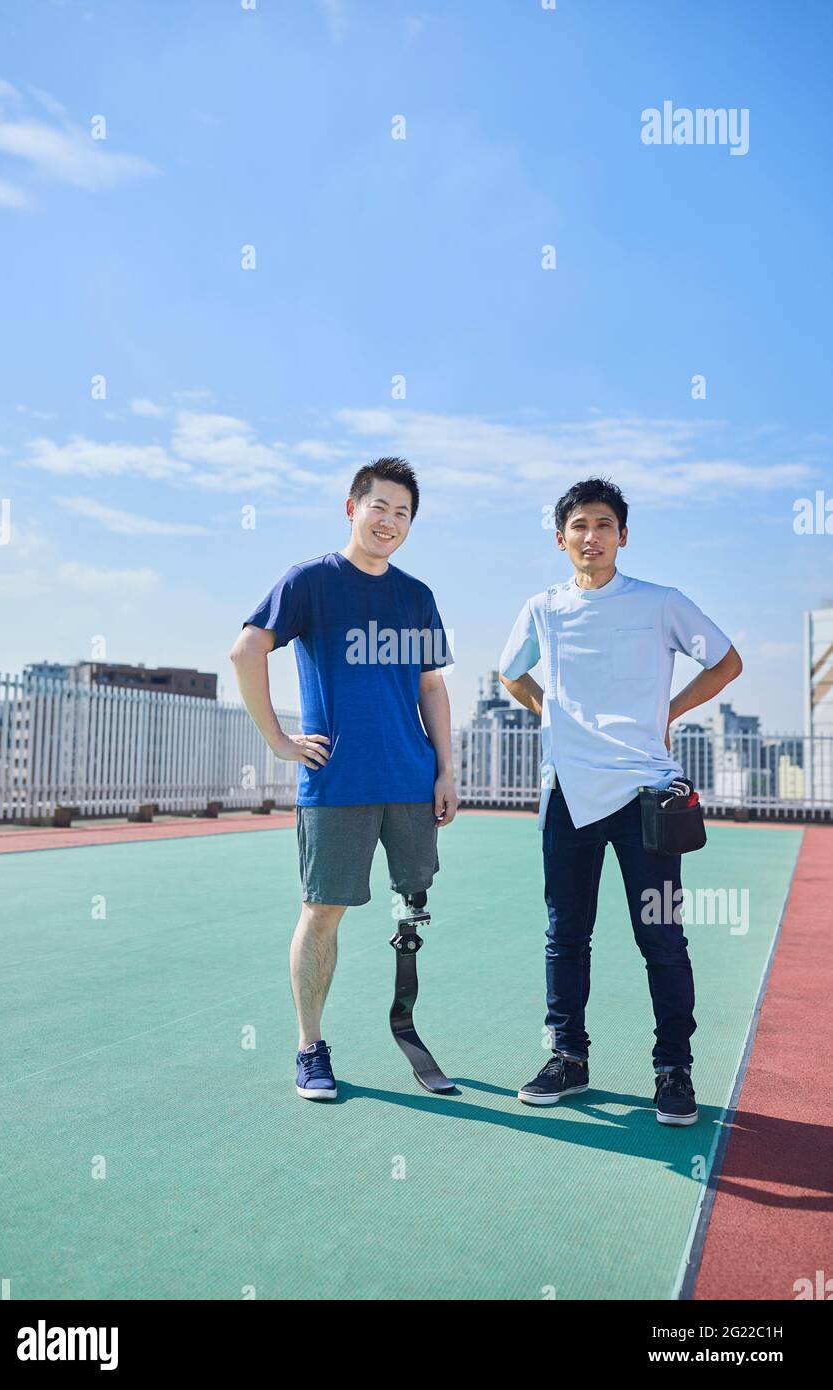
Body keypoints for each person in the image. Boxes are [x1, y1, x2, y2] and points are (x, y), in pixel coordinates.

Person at [498, 477, 742, 1125]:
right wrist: (550, 712)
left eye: (604, 525)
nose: (591, 536)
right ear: (560, 539)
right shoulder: (543, 608)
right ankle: (568, 1059)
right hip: (568, 796)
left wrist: (671, 710)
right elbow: (510, 671)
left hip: (648, 798)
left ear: (623, 536)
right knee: (565, 936)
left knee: (661, 939)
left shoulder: (661, 603)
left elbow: (726, 662)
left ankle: (673, 1070)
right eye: (579, 525)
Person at [230, 457, 457, 1100]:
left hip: (411, 782)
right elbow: (246, 650)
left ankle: (405, 1021)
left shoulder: (417, 596)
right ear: (351, 507)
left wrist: (445, 769)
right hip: (336, 783)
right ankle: (310, 1047)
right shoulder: (311, 582)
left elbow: (431, 686)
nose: (389, 521)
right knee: (322, 911)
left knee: (414, 902)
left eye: (403, 513)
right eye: (379, 507)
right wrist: (278, 740)